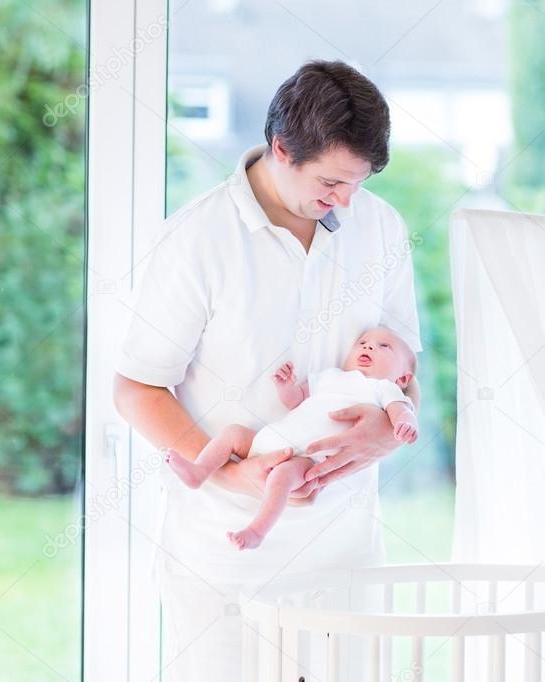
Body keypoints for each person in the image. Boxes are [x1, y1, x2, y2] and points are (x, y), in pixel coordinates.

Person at [113, 59, 423, 681]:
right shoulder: (197, 240)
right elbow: (137, 387)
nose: (346, 201)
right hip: (227, 562)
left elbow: (402, 364)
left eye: (358, 183)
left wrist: (386, 432)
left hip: (347, 553)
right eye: (332, 183)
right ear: (282, 149)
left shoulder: (381, 227)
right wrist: (233, 475)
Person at [164, 326, 419, 551]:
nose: (369, 346)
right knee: (233, 433)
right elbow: (295, 400)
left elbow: (401, 410)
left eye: (383, 346)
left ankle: (256, 530)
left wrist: (404, 424)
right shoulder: (331, 376)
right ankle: (199, 472)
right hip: (272, 438)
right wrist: (285, 386)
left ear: (403, 377)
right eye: (362, 343)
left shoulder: (383, 388)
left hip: (306, 458)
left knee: (281, 478)